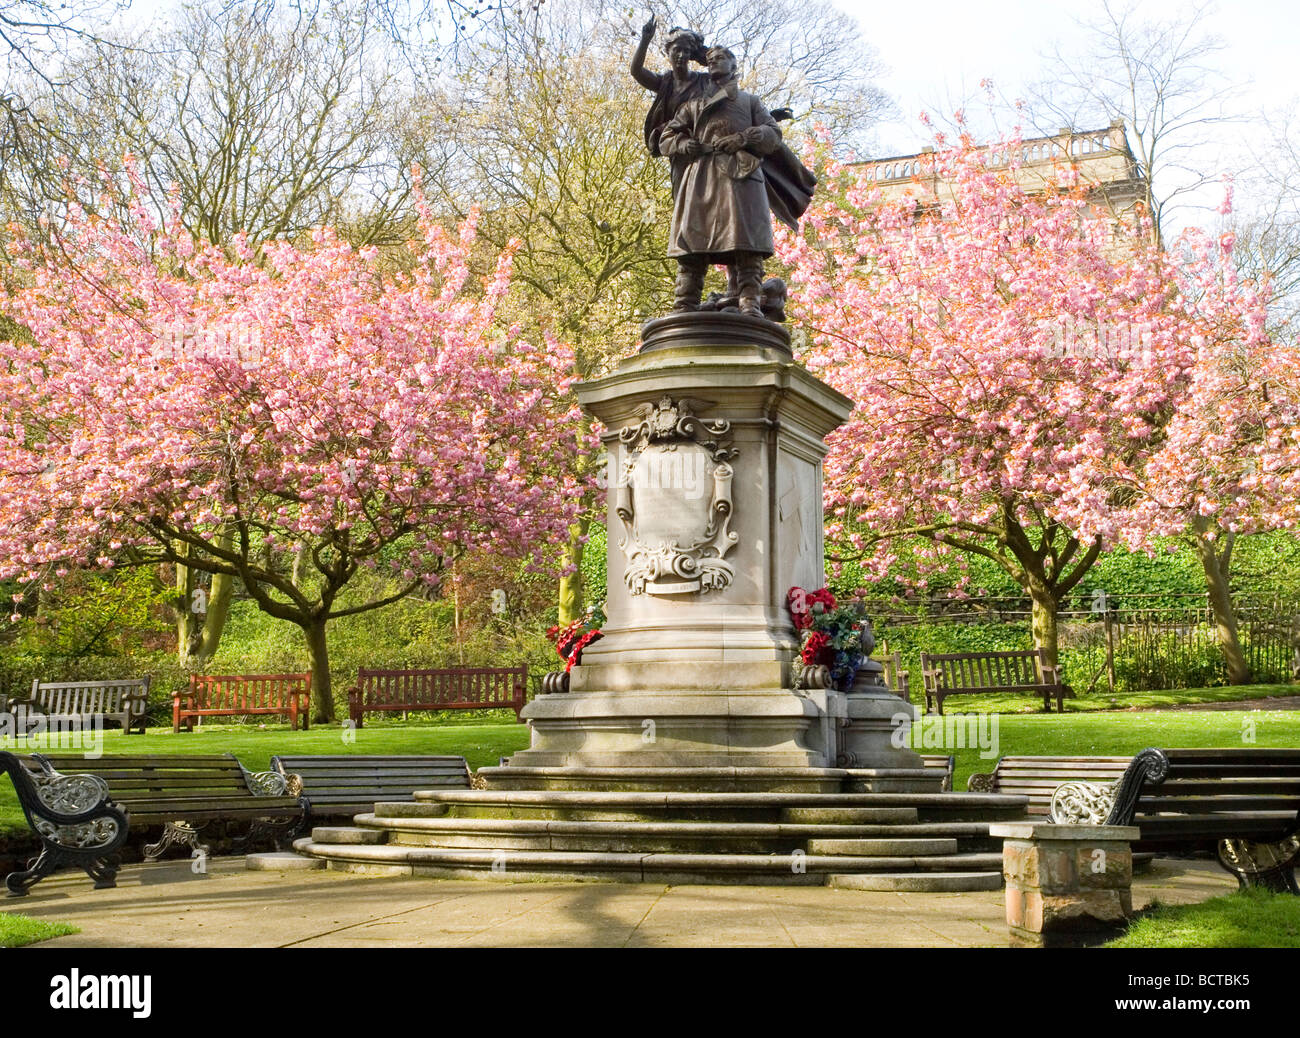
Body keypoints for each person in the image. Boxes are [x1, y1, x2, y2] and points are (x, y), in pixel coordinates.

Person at [658, 47, 783, 317]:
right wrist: (682, 143)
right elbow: (666, 138)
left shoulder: (749, 101)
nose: (714, 60)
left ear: (733, 64)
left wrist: (744, 138)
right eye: (711, 58)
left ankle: (749, 302)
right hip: (702, 178)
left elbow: (773, 133)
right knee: (692, 243)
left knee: (746, 242)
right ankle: (685, 304)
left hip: (740, 176)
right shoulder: (692, 105)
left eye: (721, 57)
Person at [630, 17, 711, 199]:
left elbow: (731, 88)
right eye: (677, 50)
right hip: (679, 149)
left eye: (686, 51)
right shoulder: (664, 83)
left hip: (704, 148)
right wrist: (645, 40)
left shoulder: (705, 82)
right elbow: (636, 71)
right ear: (668, 51)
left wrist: (762, 116)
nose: (681, 55)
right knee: (683, 201)